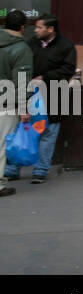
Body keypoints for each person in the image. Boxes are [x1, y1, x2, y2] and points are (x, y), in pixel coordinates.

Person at [15, 14, 75, 185]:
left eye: (39, 27)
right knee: (24, 129)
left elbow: (68, 69)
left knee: (48, 133)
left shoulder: (66, 46)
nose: (35, 30)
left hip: (54, 96)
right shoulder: (30, 44)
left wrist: (45, 77)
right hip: (30, 94)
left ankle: (40, 170)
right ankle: (13, 168)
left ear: (50, 29)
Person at [0, 10, 33, 198]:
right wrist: (23, 108)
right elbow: (22, 80)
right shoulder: (21, 49)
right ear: (23, 27)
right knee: (1, 145)